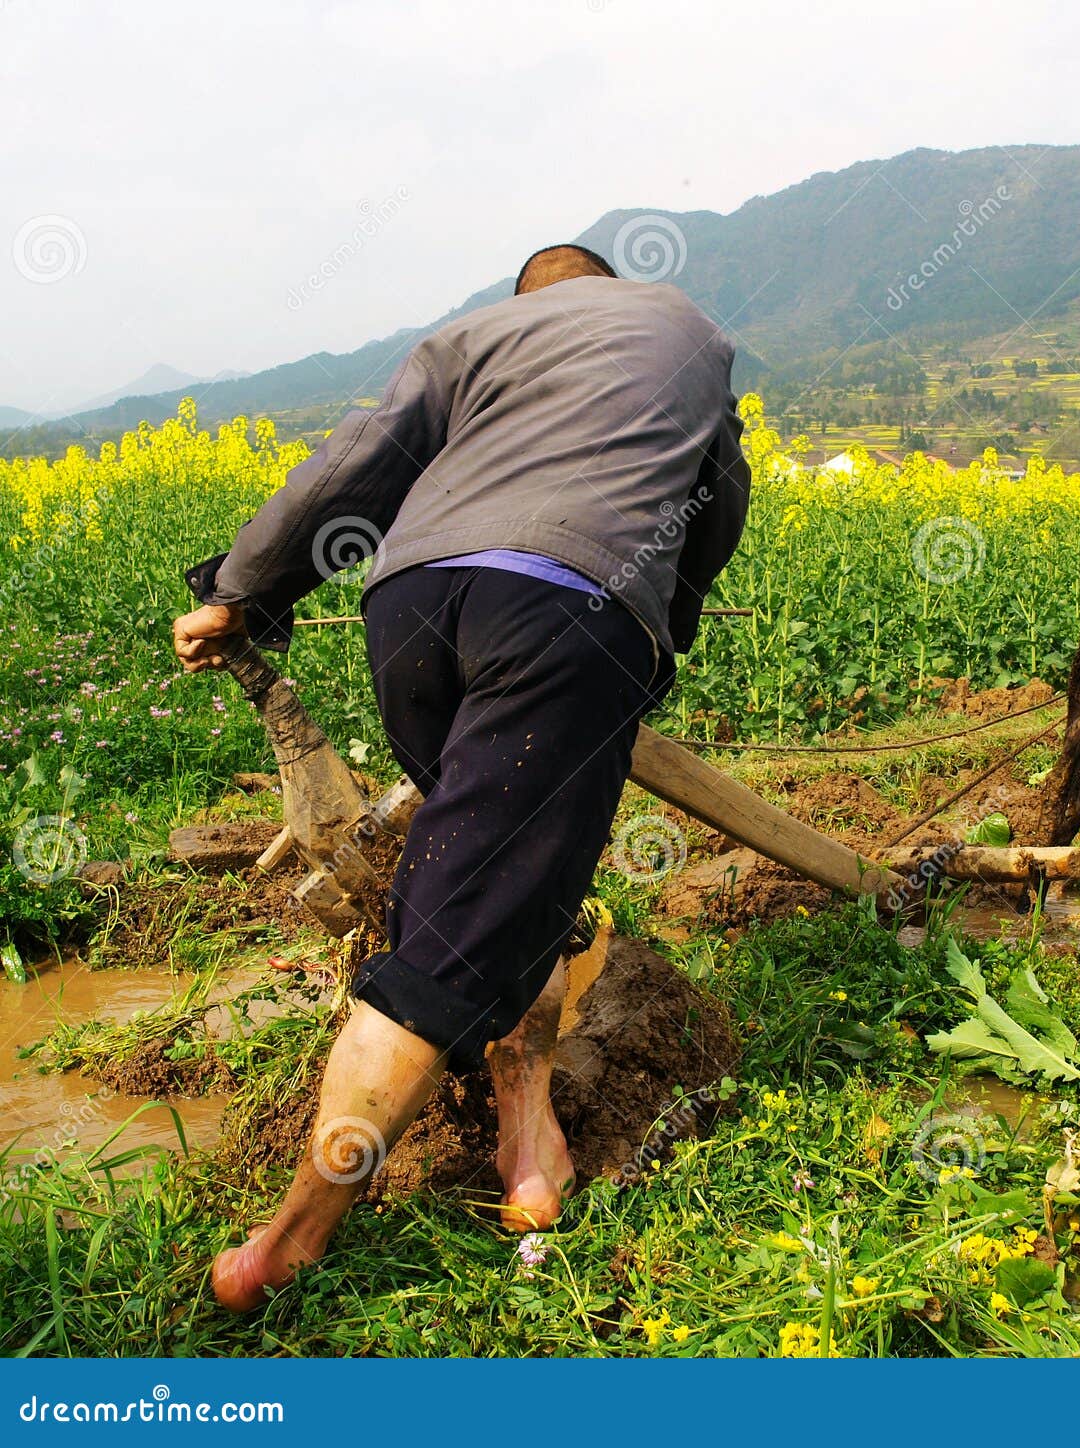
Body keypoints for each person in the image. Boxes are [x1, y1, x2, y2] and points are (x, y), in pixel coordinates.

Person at [172, 244, 749, 1312]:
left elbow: (356, 466)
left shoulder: (471, 337)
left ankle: (527, 1137)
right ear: (608, 288)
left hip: (409, 613)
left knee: (498, 882)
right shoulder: (685, 332)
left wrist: (240, 591)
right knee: (459, 920)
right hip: (570, 604)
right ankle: (290, 1237)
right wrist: (661, 626)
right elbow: (714, 501)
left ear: (528, 301)